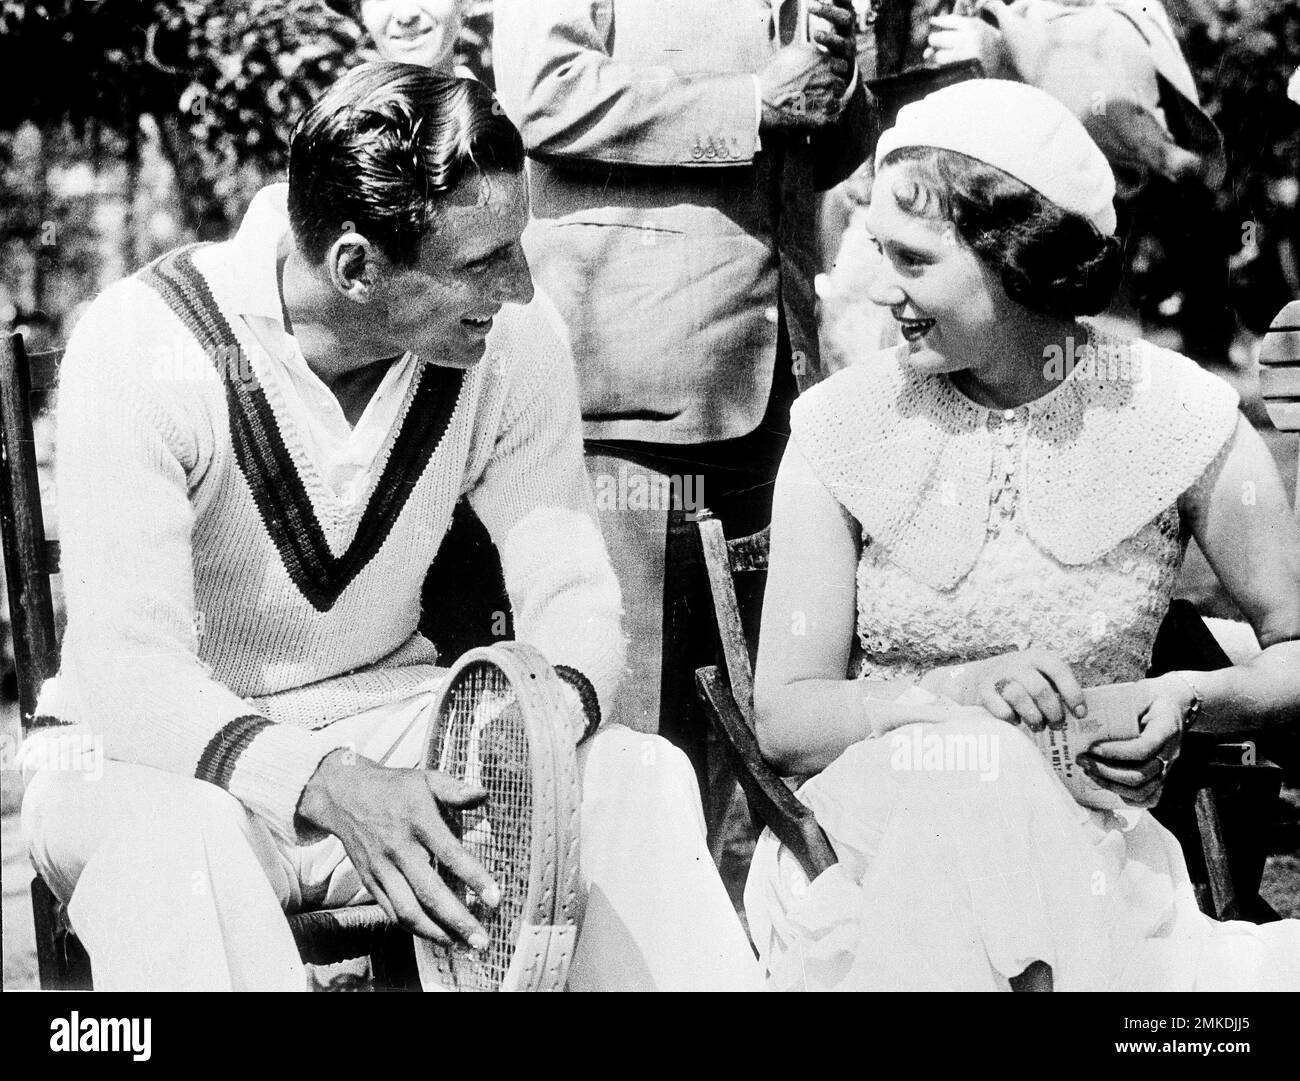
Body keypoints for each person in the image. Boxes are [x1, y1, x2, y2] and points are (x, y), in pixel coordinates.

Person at [20, 63, 761, 992]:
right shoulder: (142, 343)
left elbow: (574, 598)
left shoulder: (509, 348)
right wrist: (325, 780)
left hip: (394, 738)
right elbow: (132, 682)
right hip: (143, 766)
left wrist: (527, 741)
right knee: (183, 844)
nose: (524, 286)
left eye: (516, 246)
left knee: (630, 776)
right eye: (483, 262)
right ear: (358, 267)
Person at [744, 79, 1300, 991]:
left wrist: (1193, 697)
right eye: (878, 250)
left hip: (1089, 855)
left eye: (913, 261)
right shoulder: (841, 428)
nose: (878, 288)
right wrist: (953, 693)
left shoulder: (1175, 417)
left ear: (1020, 261)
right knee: (980, 769)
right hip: (868, 857)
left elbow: (1294, 647)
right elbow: (786, 716)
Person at [491, 1, 877, 753]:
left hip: (776, 375)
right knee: (631, 723)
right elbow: (544, 94)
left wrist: (840, 78)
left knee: (773, 716)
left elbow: (816, 156)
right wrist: (751, 104)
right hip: (642, 384)